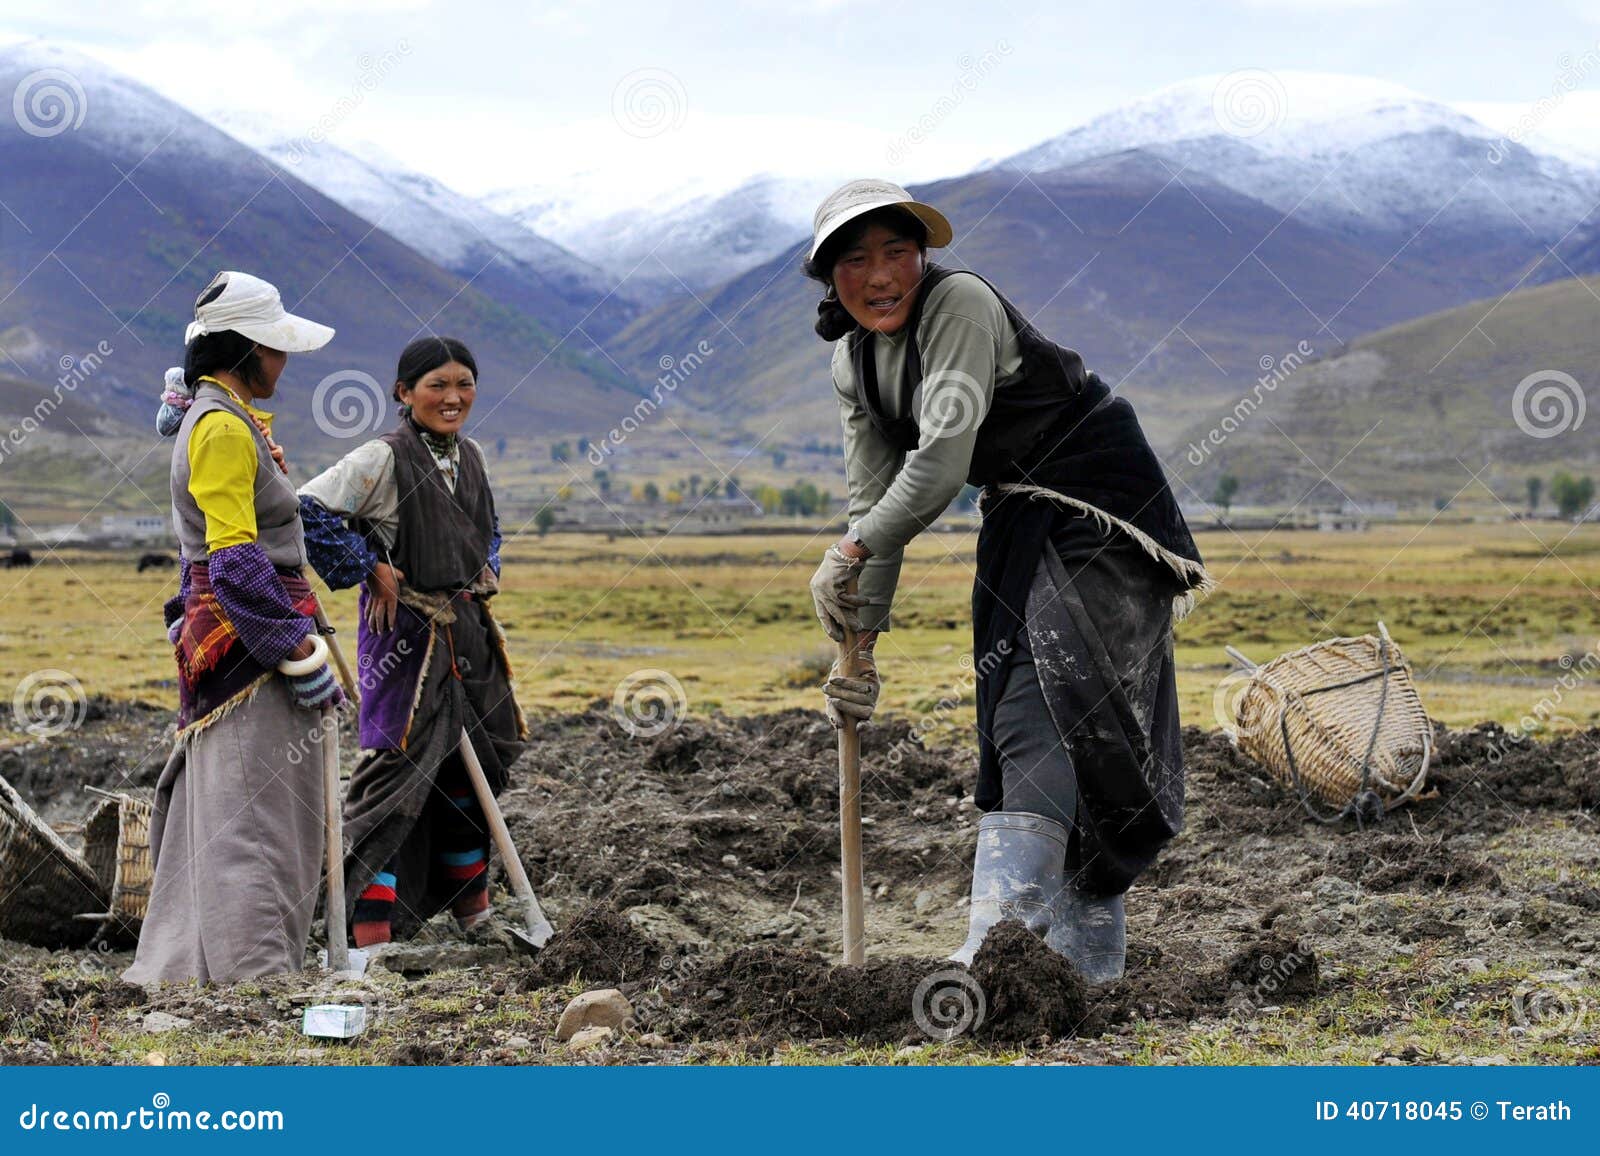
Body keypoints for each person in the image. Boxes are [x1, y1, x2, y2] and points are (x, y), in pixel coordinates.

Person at [804, 180, 1213, 983]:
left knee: (1048, 699)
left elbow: (941, 462)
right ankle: (1083, 962)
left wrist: (849, 551)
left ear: (923, 258)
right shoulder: (853, 363)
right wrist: (860, 645)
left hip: (1099, 504)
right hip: (1020, 517)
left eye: (897, 253)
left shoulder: (958, 306)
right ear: (830, 276)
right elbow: (872, 499)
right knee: (1019, 703)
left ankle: (1000, 950)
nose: (880, 275)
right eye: (856, 259)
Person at [125, 271, 343, 985]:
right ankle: (254, 974)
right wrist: (294, 648)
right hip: (246, 637)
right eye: (275, 349)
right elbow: (236, 563)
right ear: (244, 351)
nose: (284, 363)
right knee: (257, 815)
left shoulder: (233, 420)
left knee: (246, 804)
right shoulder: (220, 429)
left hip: (249, 630)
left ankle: (213, 964)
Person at [298, 336, 525, 947]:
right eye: (437, 386)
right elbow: (309, 511)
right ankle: (367, 931)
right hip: (405, 645)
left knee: (471, 772)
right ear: (404, 393)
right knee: (395, 777)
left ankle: (472, 911)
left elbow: (490, 528)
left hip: (470, 639)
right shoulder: (380, 458)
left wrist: (488, 564)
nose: (453, 398)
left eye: (465, 384)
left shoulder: (471, 454)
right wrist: (368, 565)